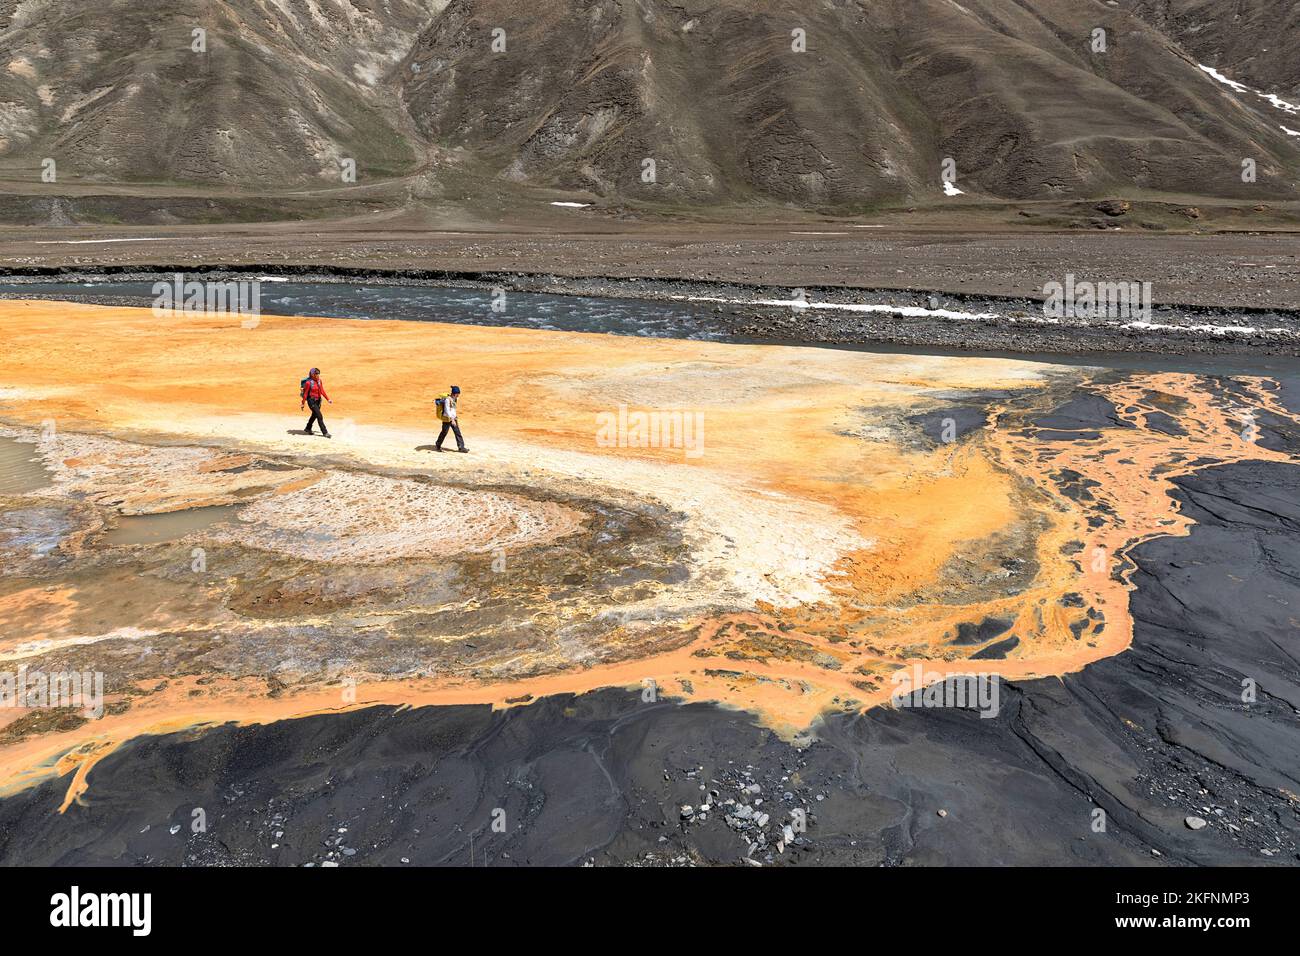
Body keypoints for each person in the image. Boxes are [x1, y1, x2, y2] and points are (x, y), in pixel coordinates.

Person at [434, 385, 468, 452]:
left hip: (453, 418)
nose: (458, 395)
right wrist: (452, 419)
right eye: (458, 394)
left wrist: (454, 417)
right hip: (447, 419)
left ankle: (461, 447)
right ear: (455, 393)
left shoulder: (455, 399)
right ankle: (438, 444)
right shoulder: (447, 400)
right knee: (444, 432)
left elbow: (453, 409)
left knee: (457, 432)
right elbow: (447, 410)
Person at [300, 367, 332, 438]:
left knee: (314, 415)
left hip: (318, 401)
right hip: (311, 401)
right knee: (319, 416)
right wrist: (303, 403)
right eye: (316, 374)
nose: (318, 375)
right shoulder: (308, 383)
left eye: (318, 374)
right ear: (312, 374)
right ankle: (325, 432)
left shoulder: (319, 381)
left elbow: (322, 391)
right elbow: (305, 394)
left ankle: (308, 428)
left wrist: (328, 399)